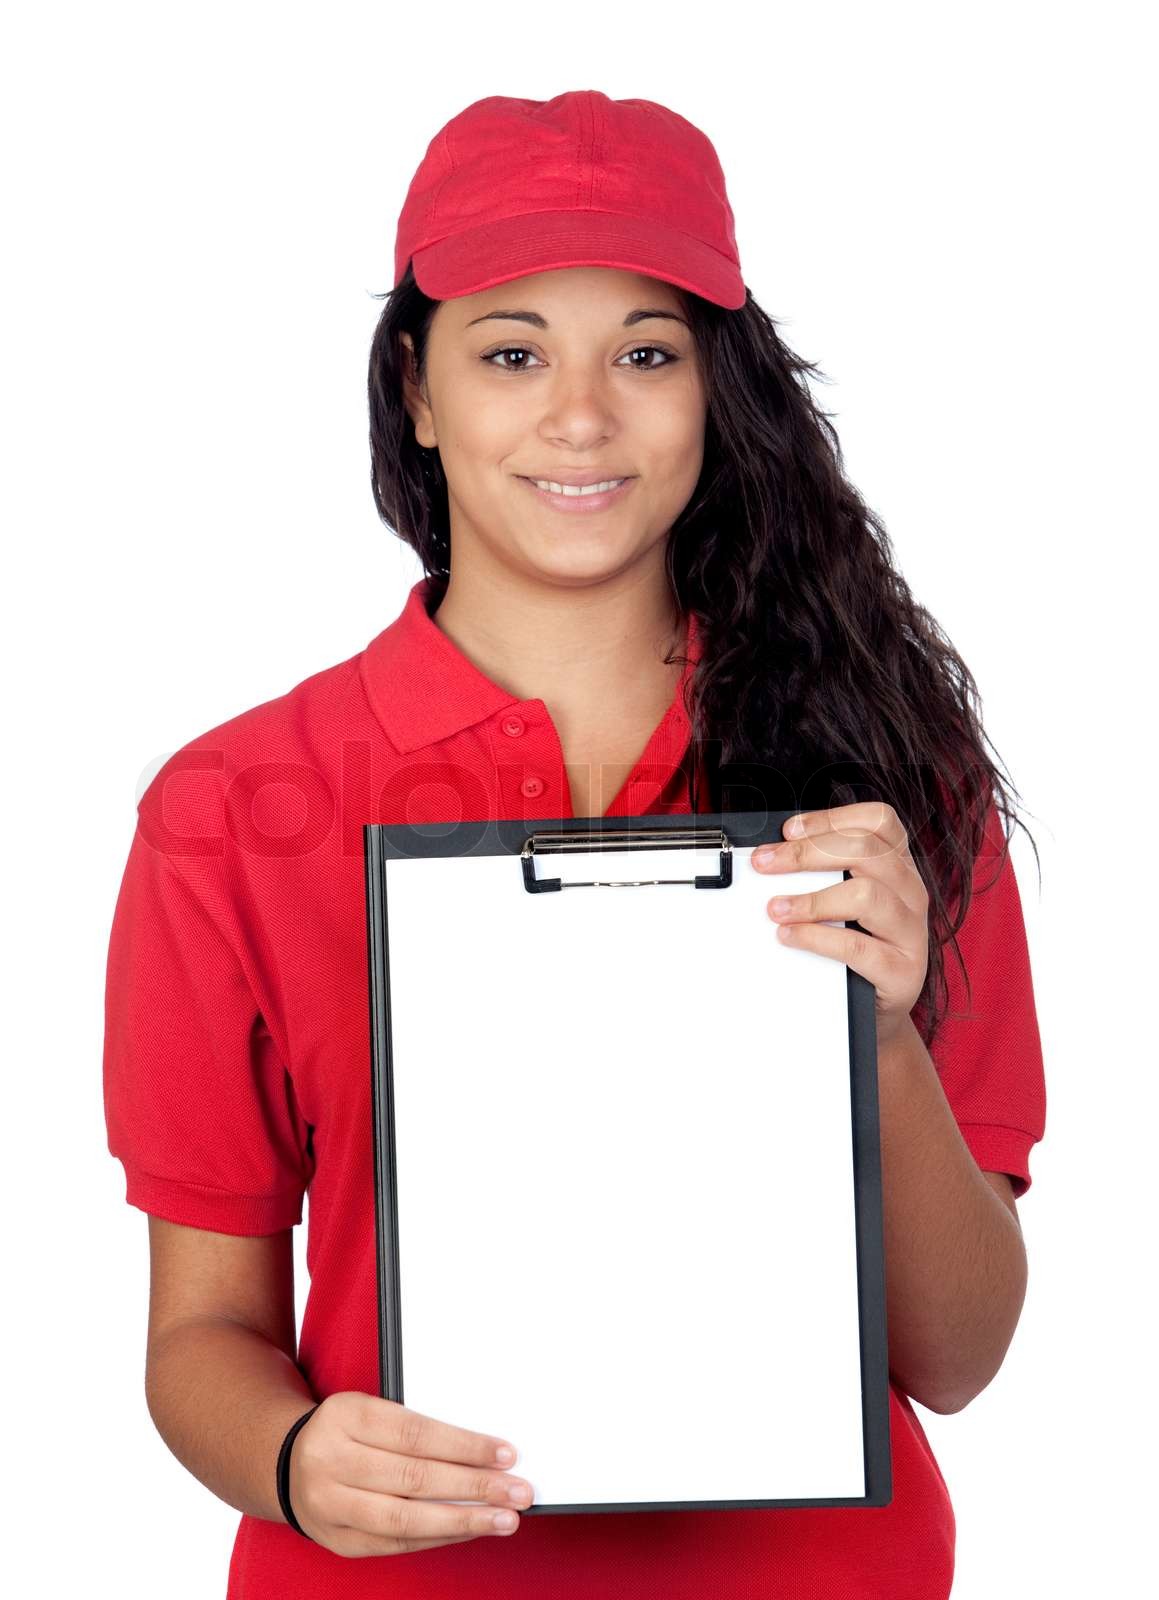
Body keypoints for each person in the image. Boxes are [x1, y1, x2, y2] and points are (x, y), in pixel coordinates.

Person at [102, 90, 1046, 1600]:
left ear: (714, 395)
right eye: (514, 350)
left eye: (648, 353)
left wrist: (873, 1040)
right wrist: (292, 1458)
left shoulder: (891, 776)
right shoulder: (230, 806)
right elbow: (199, 1335)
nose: (582, 415)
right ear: (418, 390)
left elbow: (962, 1353)